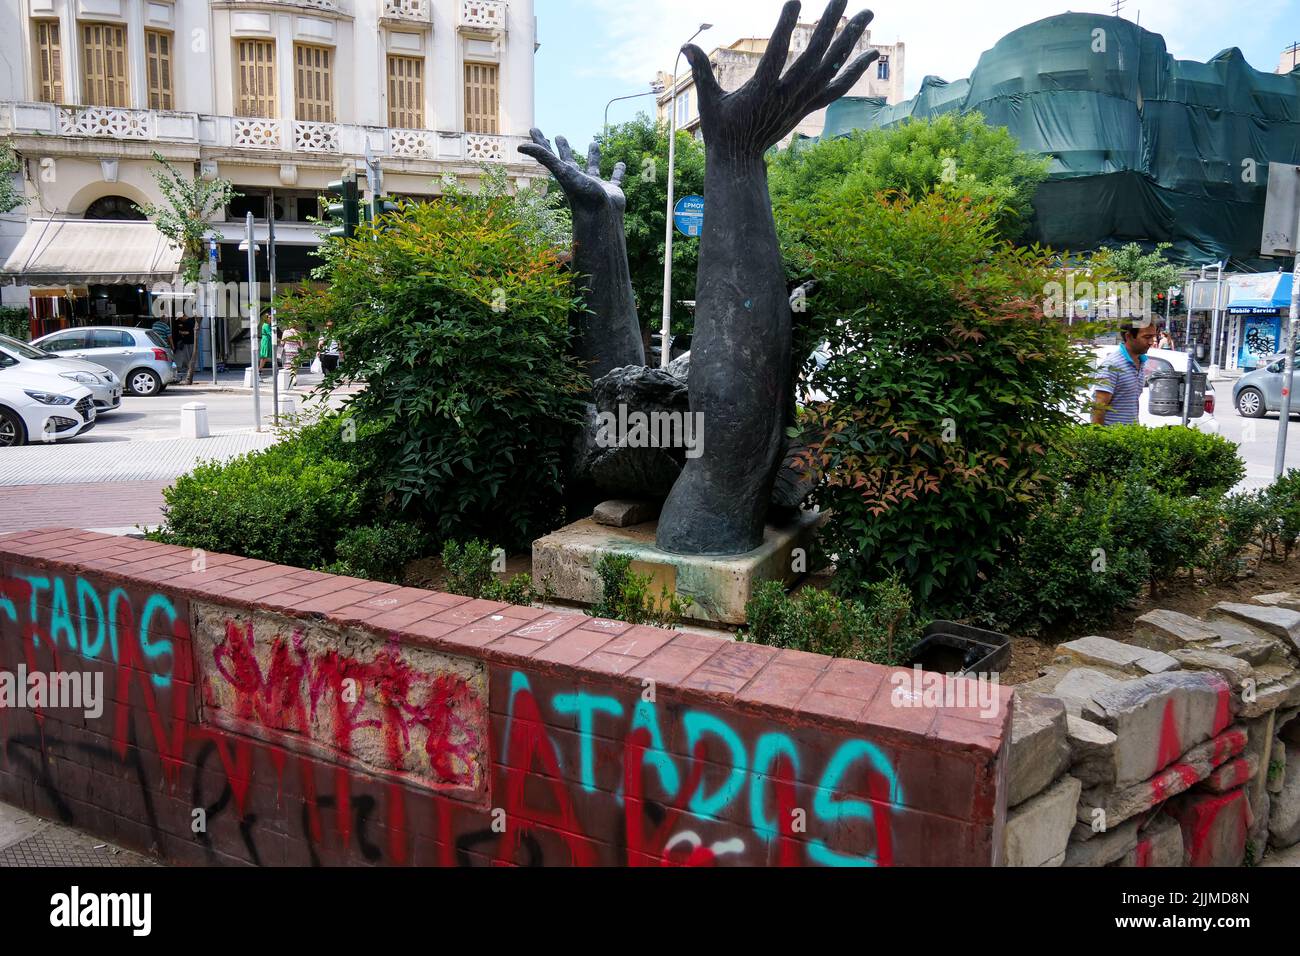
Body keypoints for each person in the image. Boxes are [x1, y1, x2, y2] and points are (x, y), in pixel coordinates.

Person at [1092, 320, 1159, 426]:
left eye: (1153, 337)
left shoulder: (1141, 362)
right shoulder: (1112, 365)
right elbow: (1099, 407)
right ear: (1128, 336)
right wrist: (1099, 438)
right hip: (1112, 437)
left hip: (1129, 436)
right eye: (1147, 337)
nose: (1151, 342)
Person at [174, 314, 197, 384]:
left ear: (183, 317)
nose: (180, 320)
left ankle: (190, 370)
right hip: (186, 342)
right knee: (186, 357)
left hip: (190, 343)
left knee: (189, 357)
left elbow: (188, 332)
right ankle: (189, 370)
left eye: (180, 318)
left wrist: (181, 332)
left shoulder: (189, 322)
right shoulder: (183, 322)